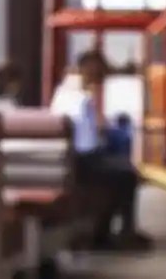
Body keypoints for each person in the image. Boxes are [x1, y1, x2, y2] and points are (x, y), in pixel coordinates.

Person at [59, 50, 152, 250]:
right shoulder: (79, 97)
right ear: (87, 69)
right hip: (80, 160)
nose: (102, 78)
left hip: (73, 157)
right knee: (127, 175)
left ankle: (108, 232)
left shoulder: (68, 91)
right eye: (99, 72)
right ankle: (122, 232)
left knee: (122, 169)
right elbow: (88, 142)